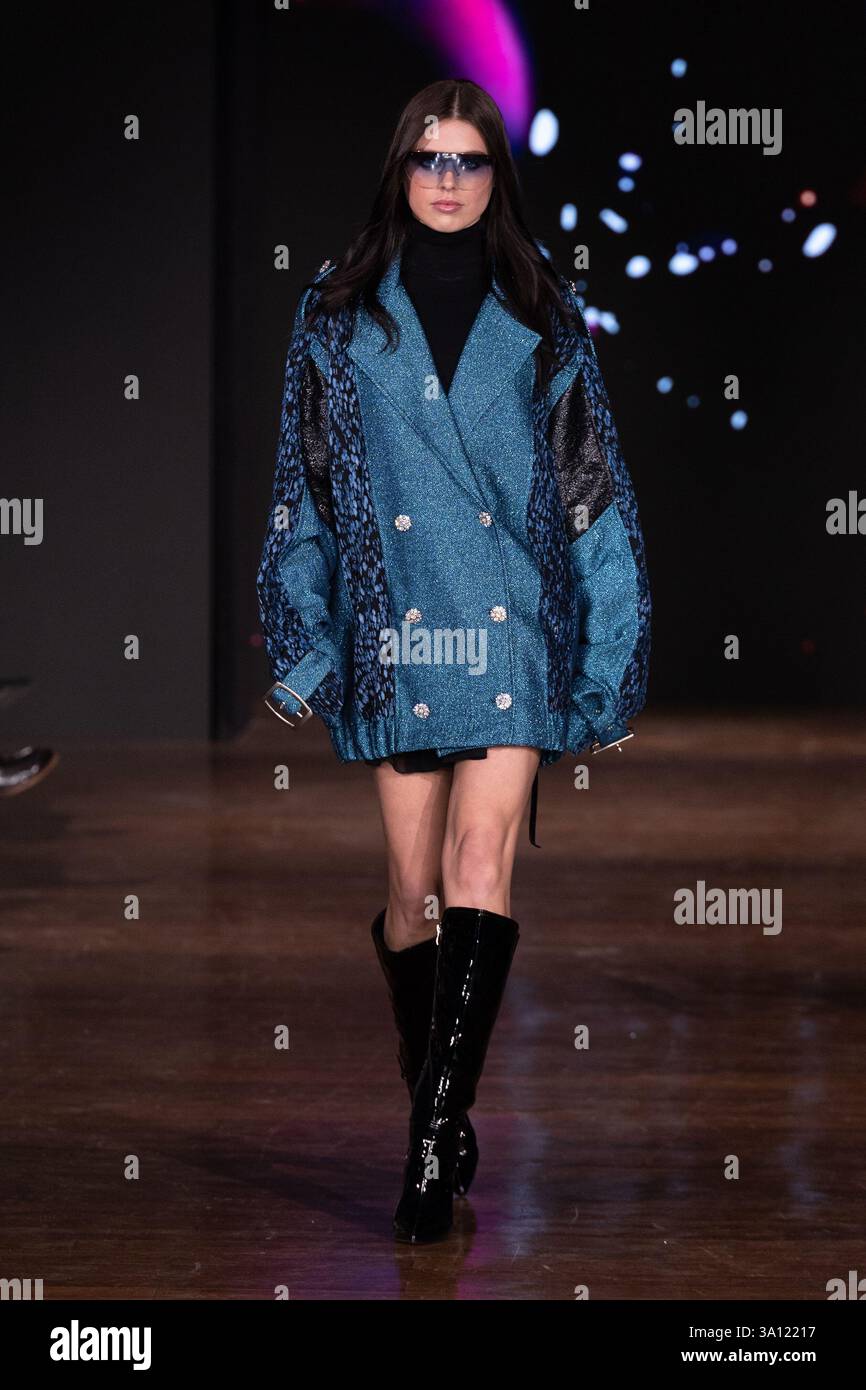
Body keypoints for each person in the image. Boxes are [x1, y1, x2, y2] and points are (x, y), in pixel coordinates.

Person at [257, 78, 650, 1242]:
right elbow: (306, 489)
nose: (444, 180)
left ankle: (432, 1138)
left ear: (495, 178)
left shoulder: (543, 314)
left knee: (484, 861)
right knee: (411, 892)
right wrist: (304, 639)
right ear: (399, 170)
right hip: (394, 629)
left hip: (508, 628)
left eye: (467, 161)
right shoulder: (333, 314)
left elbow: (592, 496)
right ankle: (428, 1070)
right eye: (426, 159)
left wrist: (607, 660)